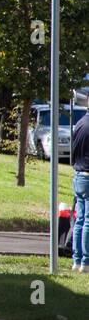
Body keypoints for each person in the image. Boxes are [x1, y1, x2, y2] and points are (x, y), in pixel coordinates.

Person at [71, 107, 89, 271]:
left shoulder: (80, 123)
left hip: (78, 174)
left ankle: (76, 260)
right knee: (88, 221)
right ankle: (86, 261)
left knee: (80, 220)